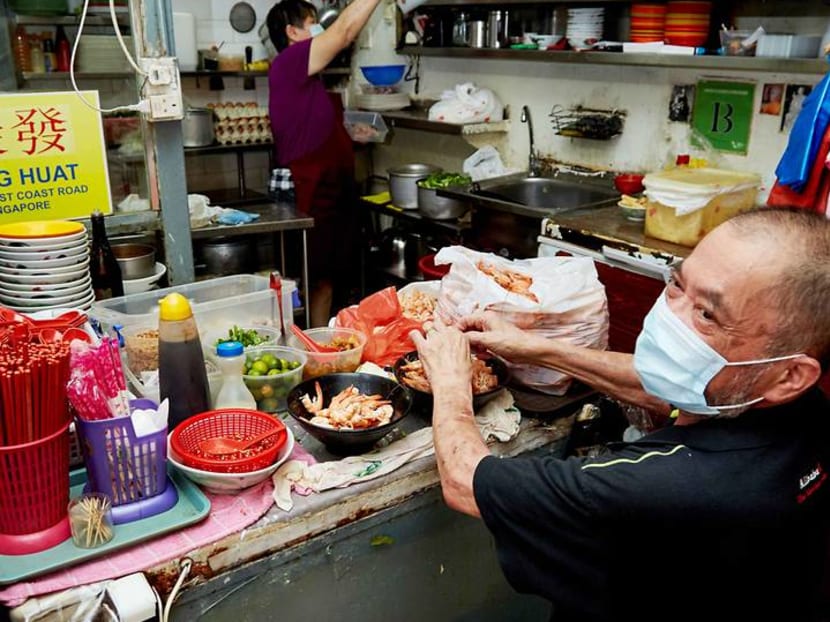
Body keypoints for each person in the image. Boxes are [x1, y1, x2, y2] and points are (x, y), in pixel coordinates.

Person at [412, 208, 830, 621]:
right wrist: (535, 348)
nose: (669, 317)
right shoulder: (794, 406)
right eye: (677, 285)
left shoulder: (672, 487)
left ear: (791, 374)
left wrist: (451, 381)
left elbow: (466, 480)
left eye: (707, 314)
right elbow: (665, 385)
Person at [266, 0, 381, 326]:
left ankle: (320, 346)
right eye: (312, 23)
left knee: (327, 279)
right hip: (311, 191)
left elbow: (310, 130)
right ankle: (309, 347)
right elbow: (344, 32)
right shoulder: (290, 60)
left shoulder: (308, 76)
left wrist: (348, 135)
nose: (320, 30)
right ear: (292, 32)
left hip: (330, 189)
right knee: (314, 278)